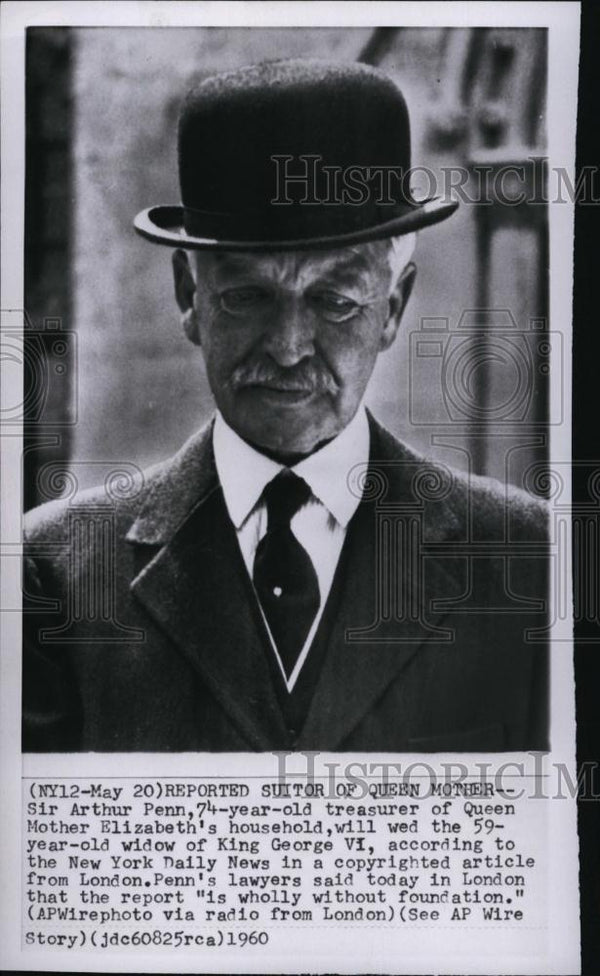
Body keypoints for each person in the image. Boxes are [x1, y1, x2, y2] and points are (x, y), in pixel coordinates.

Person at [22, 59, 549, 753]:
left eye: (334, 301)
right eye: (247, 297)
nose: (290, 347)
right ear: (189, 296)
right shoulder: (54, 571)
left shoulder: (526, 559)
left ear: (393, 307)